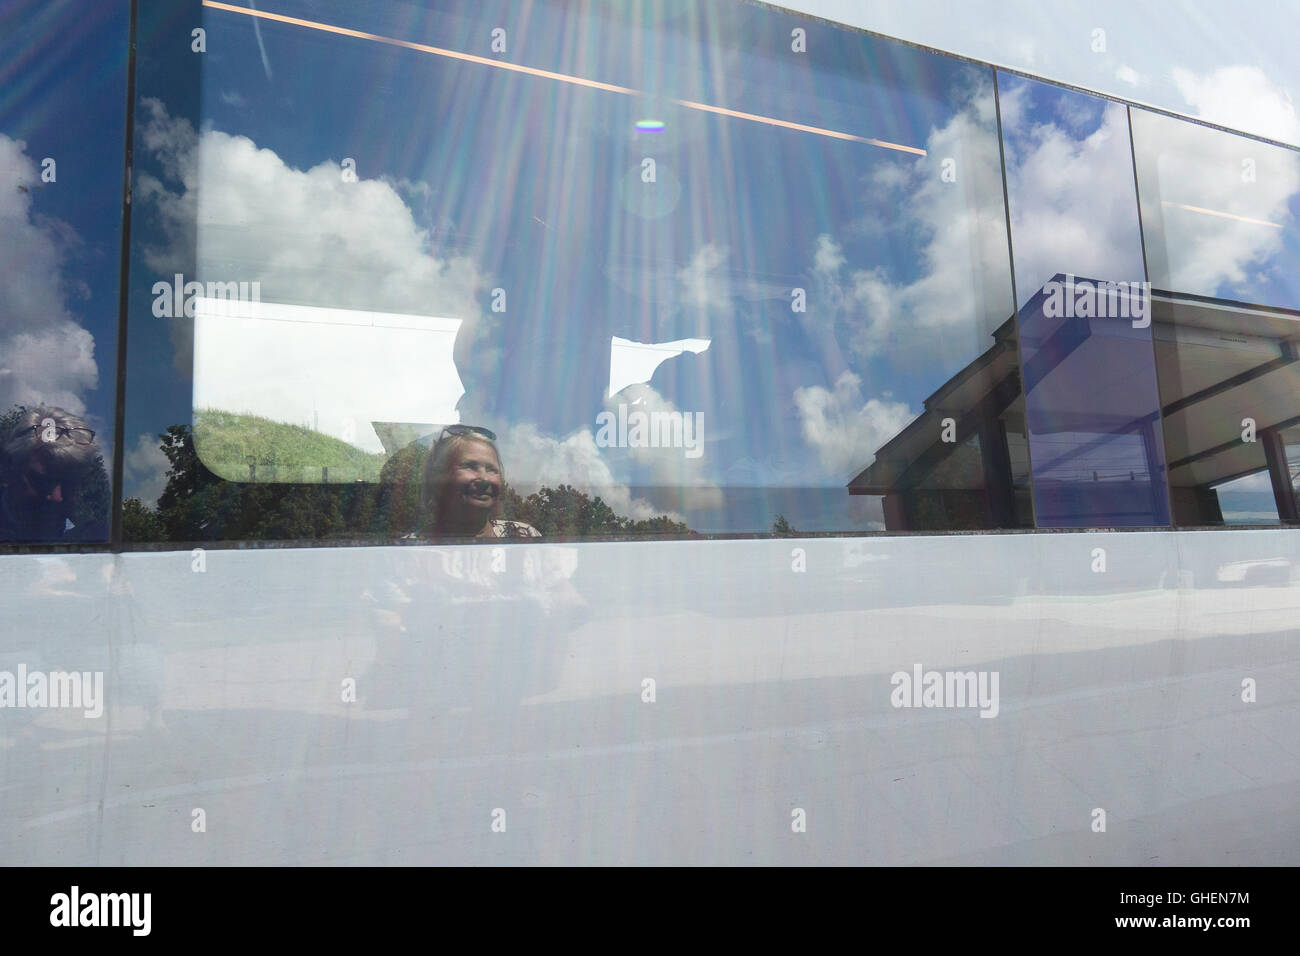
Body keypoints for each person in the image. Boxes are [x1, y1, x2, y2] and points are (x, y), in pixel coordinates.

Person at [0, 406, 105, 542]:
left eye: (70, 484)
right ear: (12, 470)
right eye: (43, 481)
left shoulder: (91, 542)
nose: (58, 497)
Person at [420, 425, 541, 538]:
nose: (484, 479)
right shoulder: (412, 548)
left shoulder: (526, 536)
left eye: (491, 469)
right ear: (439, 477)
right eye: (470, 466)